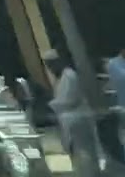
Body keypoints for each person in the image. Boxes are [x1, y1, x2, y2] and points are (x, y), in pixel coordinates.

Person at [44, 49, 99, 177]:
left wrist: (50, 107)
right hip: (70, 121)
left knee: (85, 155)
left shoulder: (69, 75)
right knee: (77, 155)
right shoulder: (62, 77)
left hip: (77, 119)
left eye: (51, 64)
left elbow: (67, 100)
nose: (50, 68)